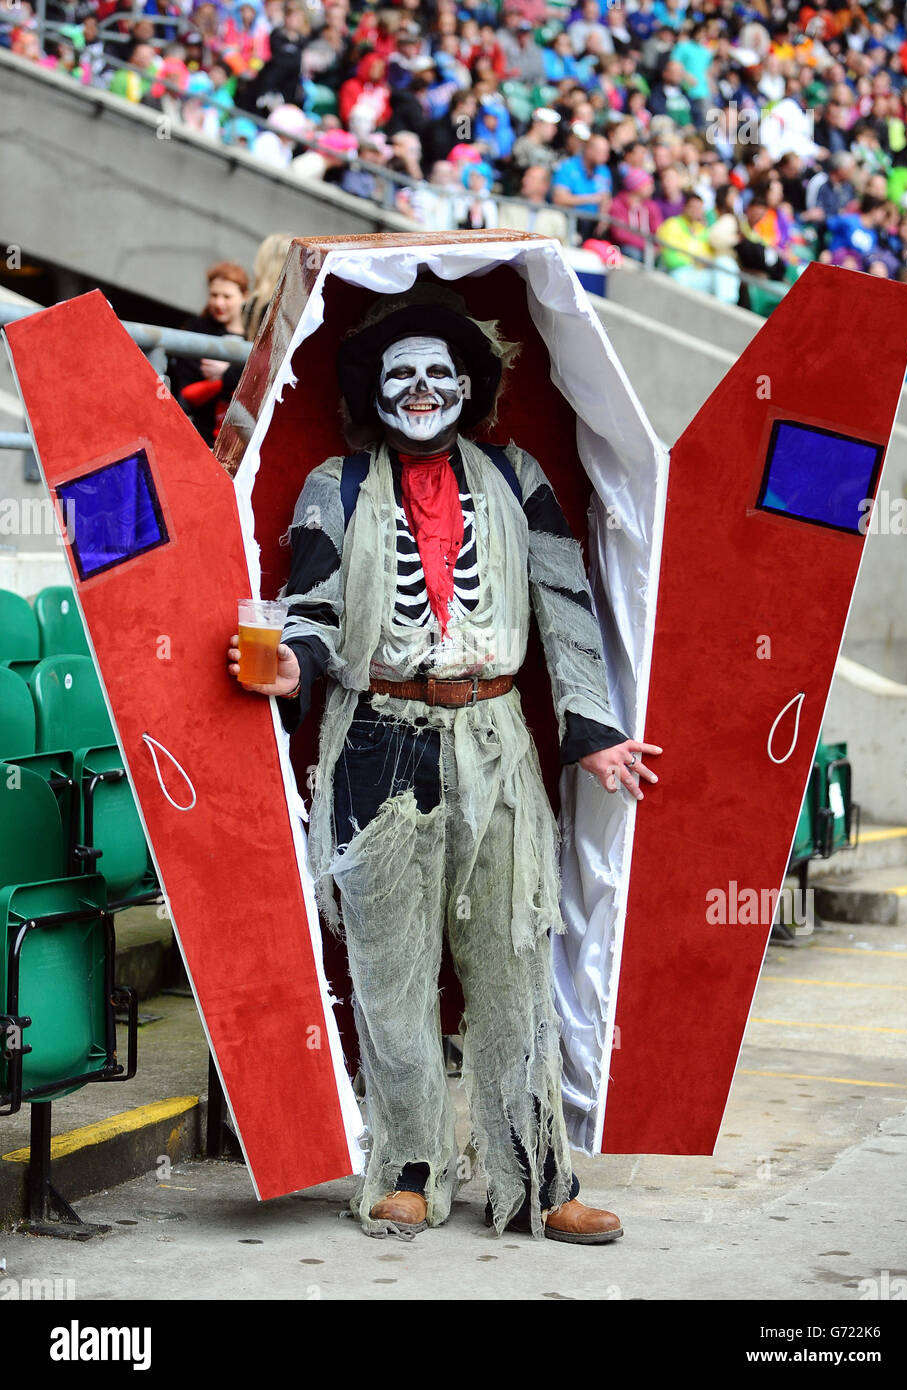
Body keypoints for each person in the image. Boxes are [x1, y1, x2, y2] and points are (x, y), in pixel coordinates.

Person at [226, 283, 661, 1242]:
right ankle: (408, 1166)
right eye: (400, 375)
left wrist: (590, 729)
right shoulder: (333, 488)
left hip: (495, 737)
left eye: (438, 373)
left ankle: (542, 1180)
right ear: (373, 393)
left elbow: (567, 607)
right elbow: (310, 606)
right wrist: (295, 662)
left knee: (511, 963)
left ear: (468, 386)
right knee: (390, 973)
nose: (419, 388)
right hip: (375, 737)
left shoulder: (518, 475)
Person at [168, 261, 248, 444]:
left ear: (245, 296)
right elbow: (188, 393)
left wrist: (225, 375)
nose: (219, 303)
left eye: (227, 296)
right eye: (214, 295)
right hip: (200, 432)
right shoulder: (196, 329)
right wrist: (232, 376)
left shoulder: (254, 333)